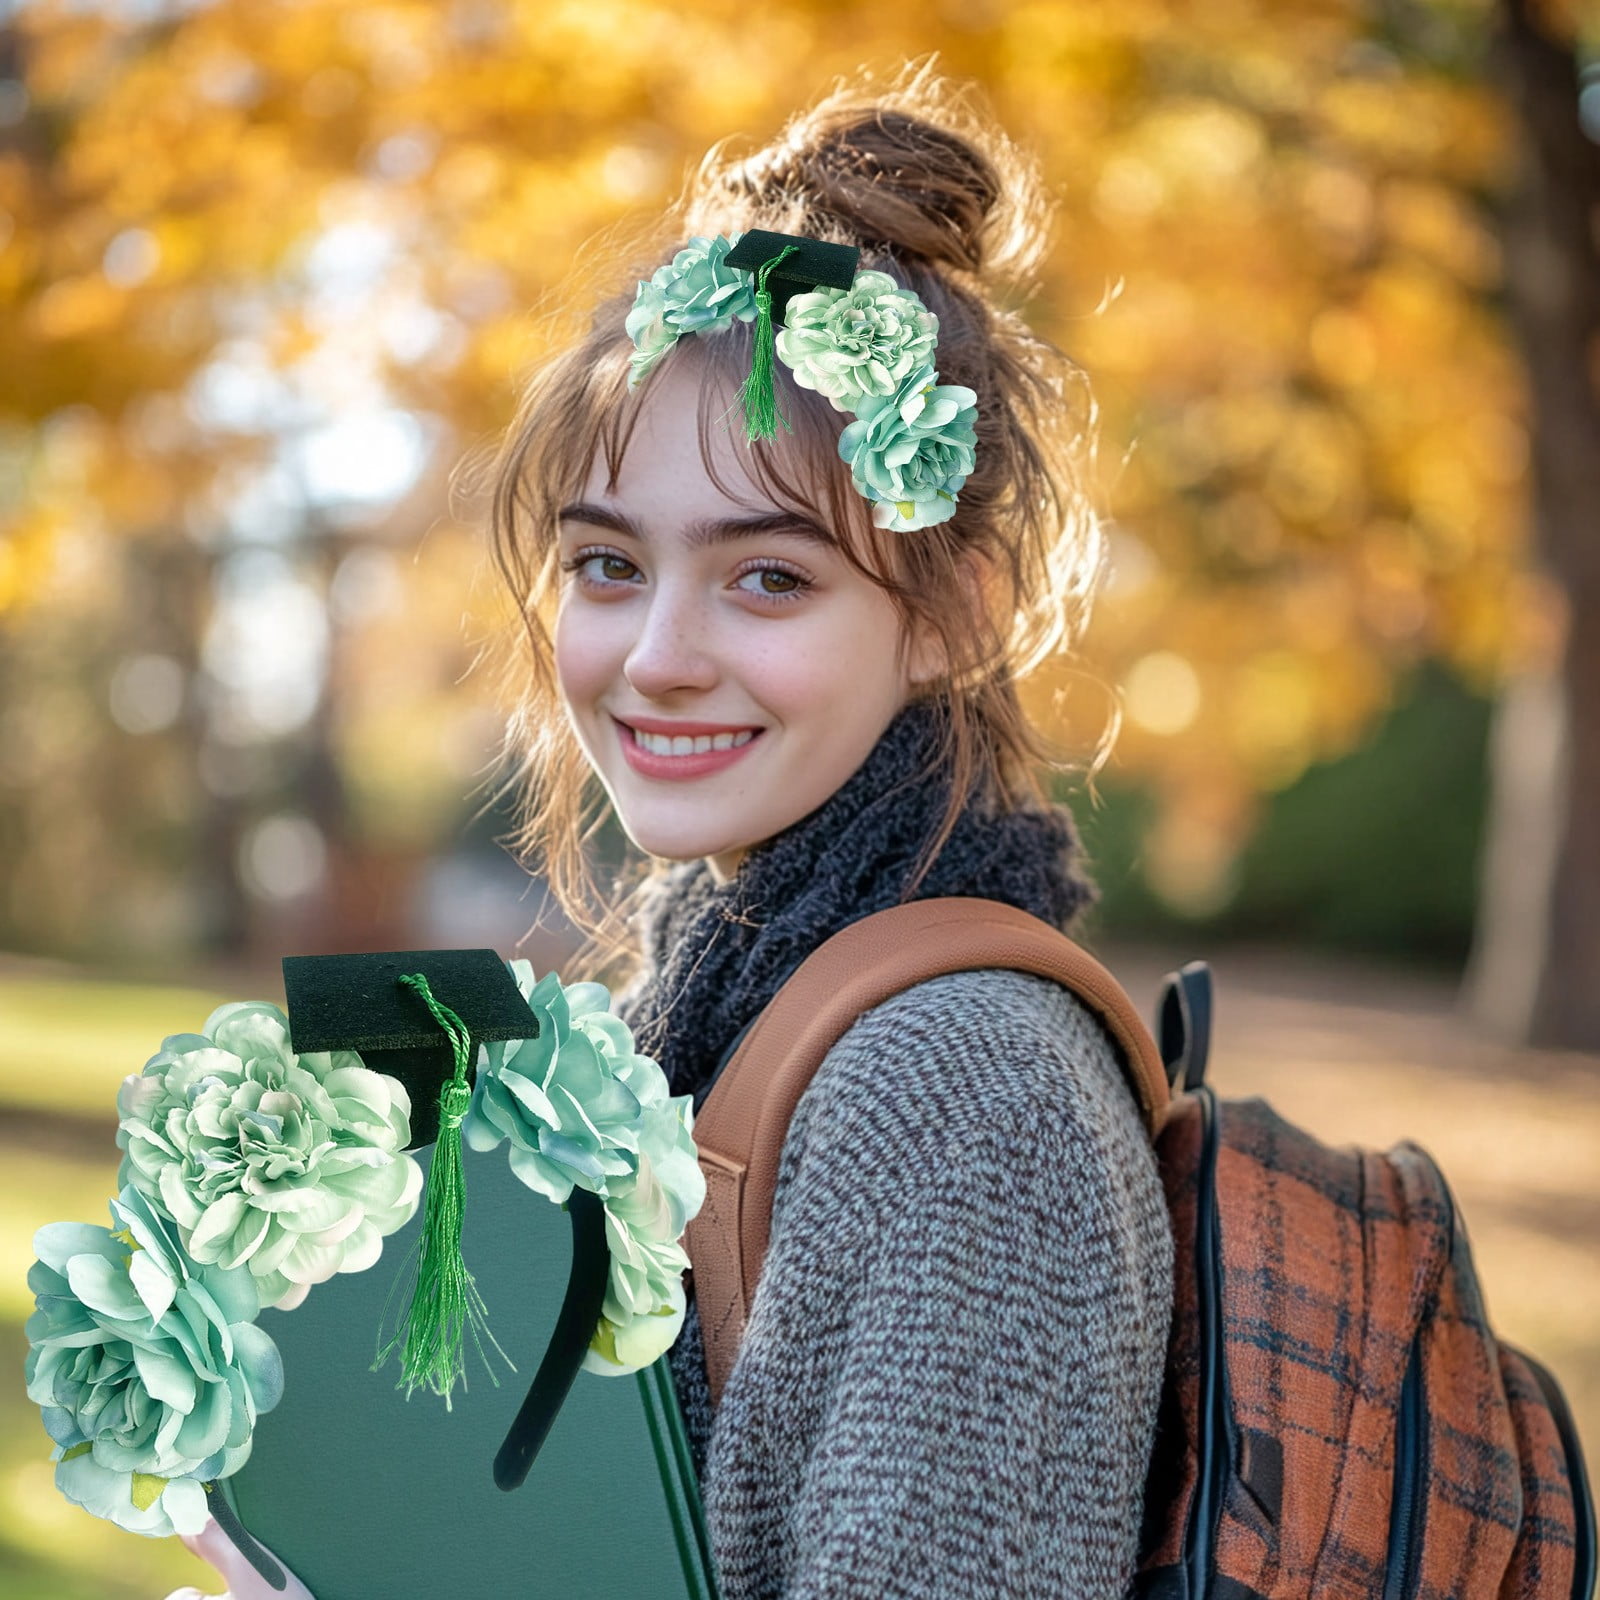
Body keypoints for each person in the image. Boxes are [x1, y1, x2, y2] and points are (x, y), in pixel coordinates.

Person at [167, 58, 1173, 1600]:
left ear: (957, 612)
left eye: (770, 576)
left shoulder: (962, 1089)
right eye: (609, 565)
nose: (656, 656)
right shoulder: (710, 1011)